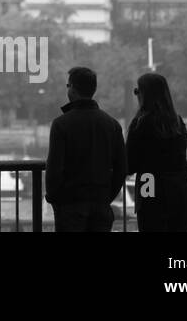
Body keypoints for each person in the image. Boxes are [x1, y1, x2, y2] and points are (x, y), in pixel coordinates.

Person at [45, 66, 128, 232]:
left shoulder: (61, 124)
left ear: (73, 90)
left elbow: (54, 169)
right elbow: (121, 168)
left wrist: (55, 199)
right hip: (101, 204)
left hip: (70, 207)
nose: (67, 89)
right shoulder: (112, 125)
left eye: (68, 85)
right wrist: (106, 197)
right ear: (93, 89)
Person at [126, 72, 187, 232]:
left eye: (138, 91)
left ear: (144, 94)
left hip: (148, 185)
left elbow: (129, 164)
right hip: (179, 189)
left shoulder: (140, 123)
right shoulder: (177, 122)